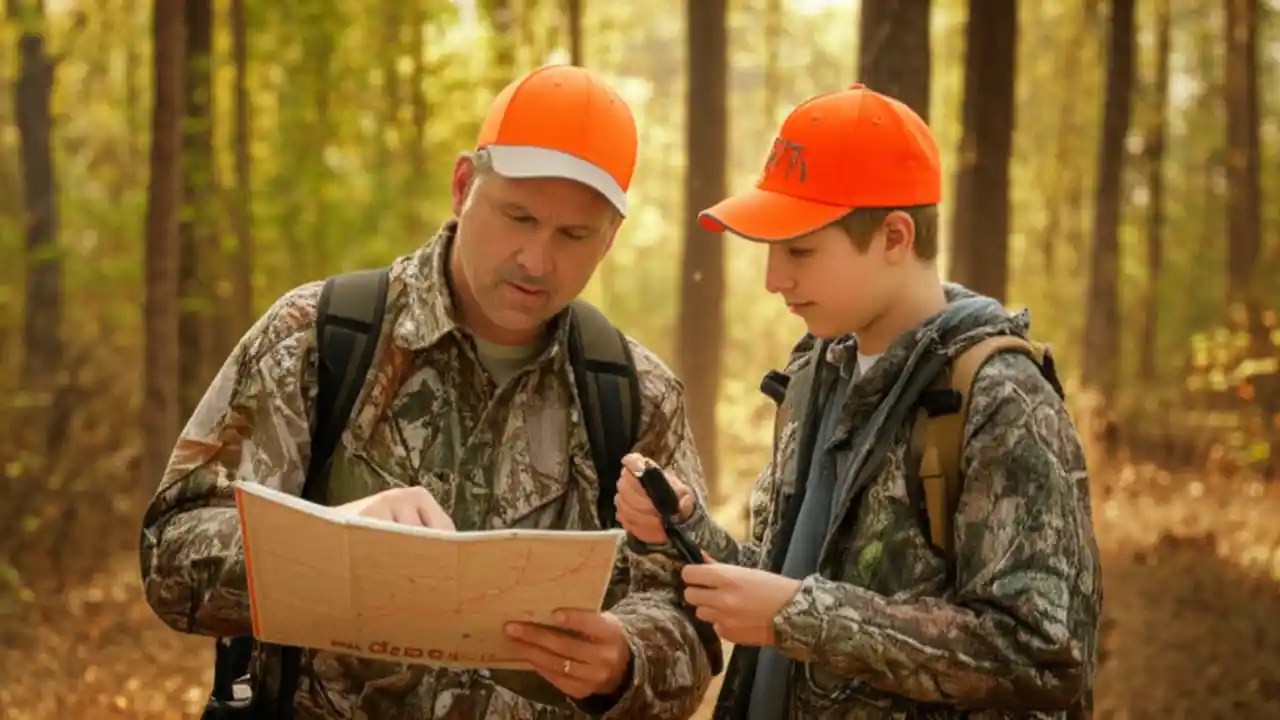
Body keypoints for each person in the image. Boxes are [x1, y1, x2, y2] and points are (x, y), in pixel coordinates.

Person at [139, 64, 718, 719]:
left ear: (610, 236)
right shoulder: (317, 339)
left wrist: (626, 658)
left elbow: (688, 618)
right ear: (464, 185)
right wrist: (331, 540)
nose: (535, 258)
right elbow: (171, 555)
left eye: (573, 235)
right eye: (518, 216)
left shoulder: (637, 395)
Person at [615, 83, 1103, 718]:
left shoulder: (1001, 400)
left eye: (801, 251)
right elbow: (786, 581)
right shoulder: (816, 373)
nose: (773, 279)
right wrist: (682, 529)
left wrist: (799, 616)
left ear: (895, 236)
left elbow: (1043, 652)